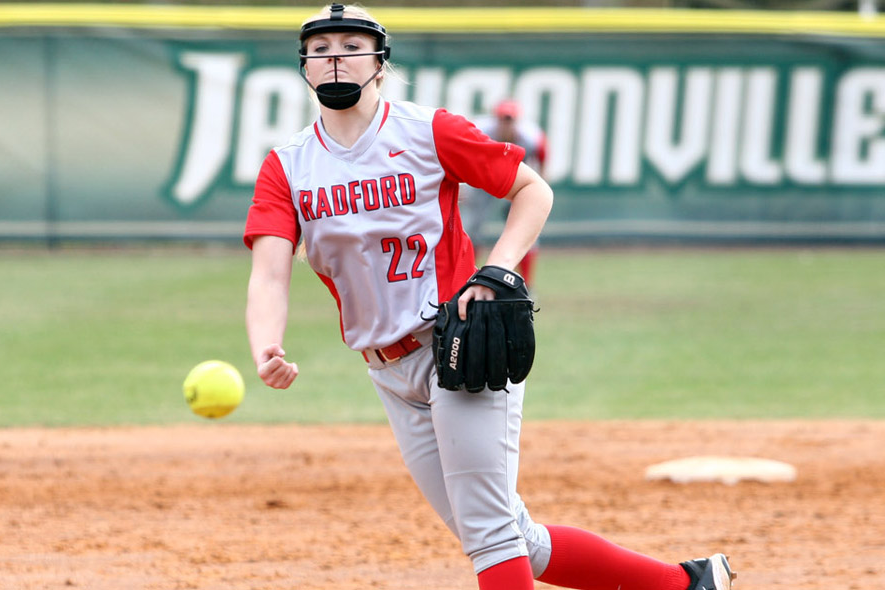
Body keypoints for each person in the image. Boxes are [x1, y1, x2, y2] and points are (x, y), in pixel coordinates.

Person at [243, 4, 736, 590]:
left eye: (351, 45)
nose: (335, 59)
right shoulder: (288, 166)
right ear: (304, 64)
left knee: (490, 534)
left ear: (379, 62)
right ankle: (689, 583)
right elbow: (270, 272)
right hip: (386, 369)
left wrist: (495, 271)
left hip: (458, 346)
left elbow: (532, 190)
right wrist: (266, 344)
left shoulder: (426, 130)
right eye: (322, 49)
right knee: (510, 536)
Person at [459, 99, 547, 287]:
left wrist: (537, 188)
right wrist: (462, 186)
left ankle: (526, 285)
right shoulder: (479, 129)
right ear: (495, 118)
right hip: (481, 179)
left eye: (510, 119)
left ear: (517, 120)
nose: (506, 123)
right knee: (471, 230)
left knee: (526, 229)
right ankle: (468, 279)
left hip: (515, 180)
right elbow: (460, 156)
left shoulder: (531, 136)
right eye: (503, 119)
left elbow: (541, 158)